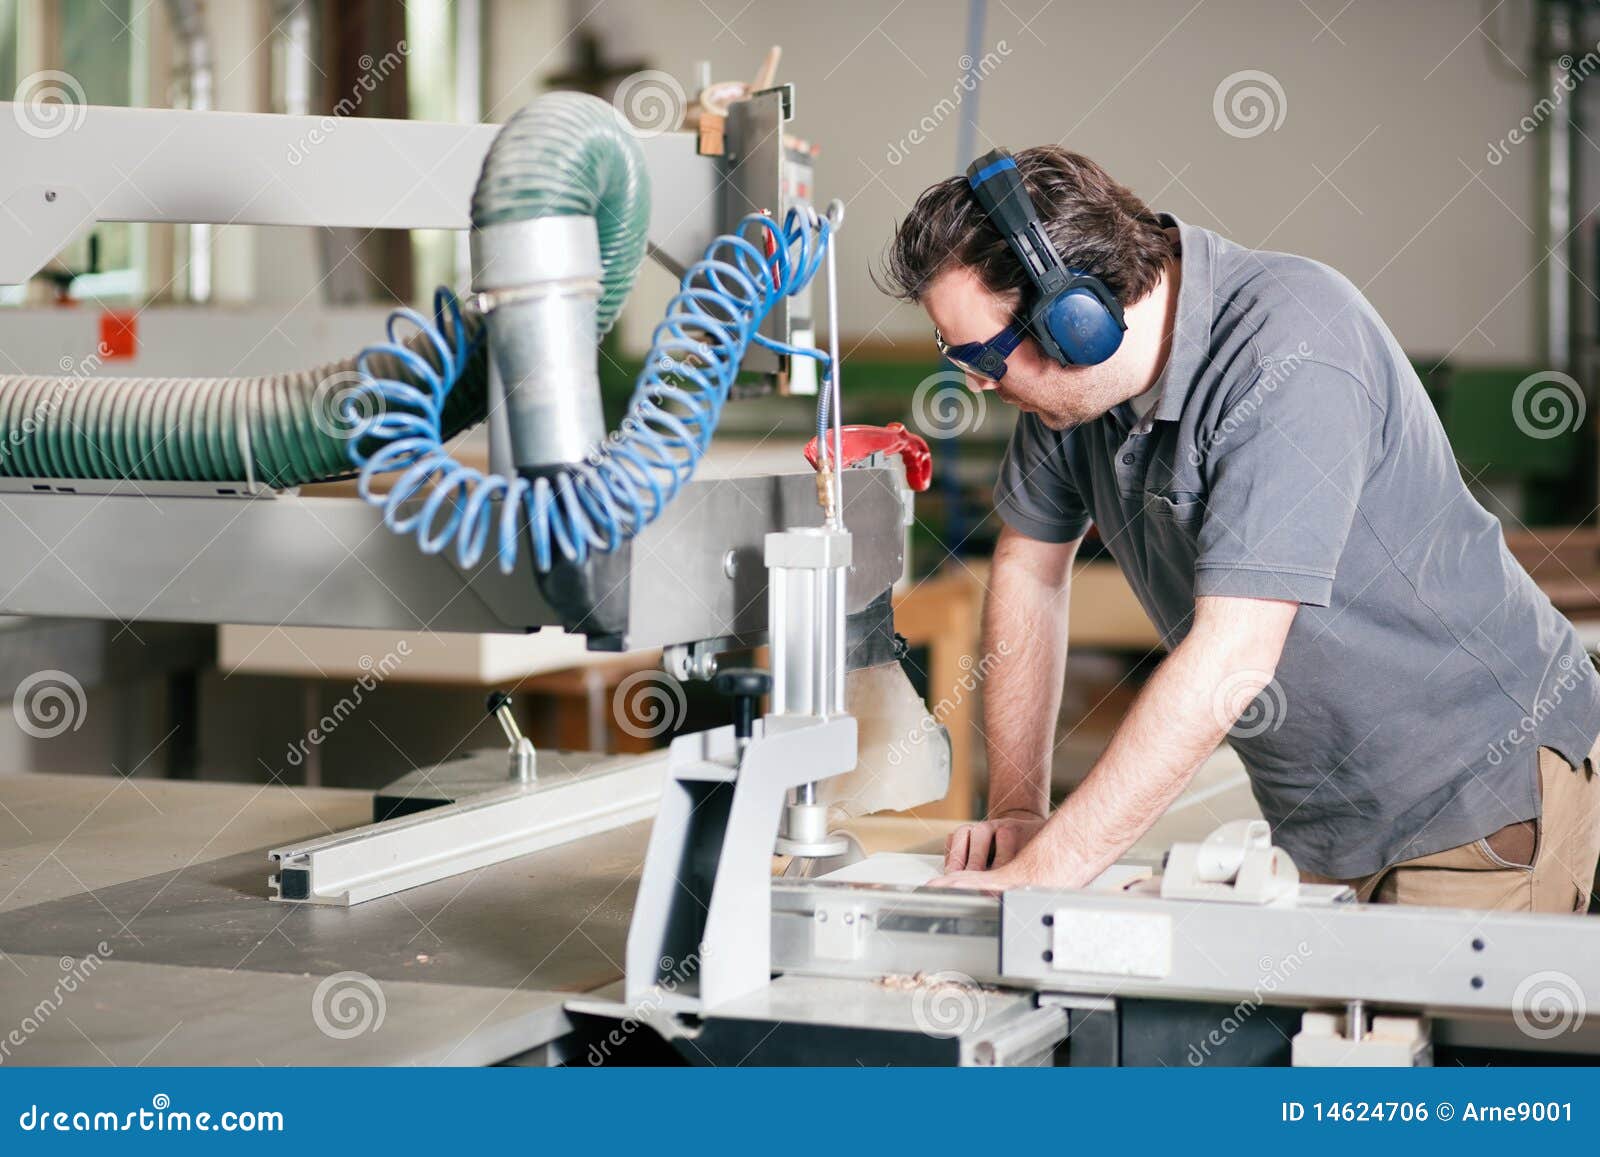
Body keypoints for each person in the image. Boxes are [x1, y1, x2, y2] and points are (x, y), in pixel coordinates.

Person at [876, 145, 1600, 912]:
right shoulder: (1071, 396)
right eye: (956, 356)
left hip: (1480, 800)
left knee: (1428, 1035)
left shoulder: (1291, 349)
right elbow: (1028, 570)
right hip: (1323, 829)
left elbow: (1234, 653)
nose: (979, 384)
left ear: (1075, 318)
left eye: (985, 355)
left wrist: (1046, 874)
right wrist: (1020, 810)